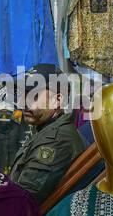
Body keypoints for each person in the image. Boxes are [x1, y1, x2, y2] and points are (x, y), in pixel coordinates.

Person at [8, 63, 86, 204]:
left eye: (33, 96)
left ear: (57, 100)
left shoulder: (56, 140)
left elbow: (22, 198)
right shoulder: (46, 131)